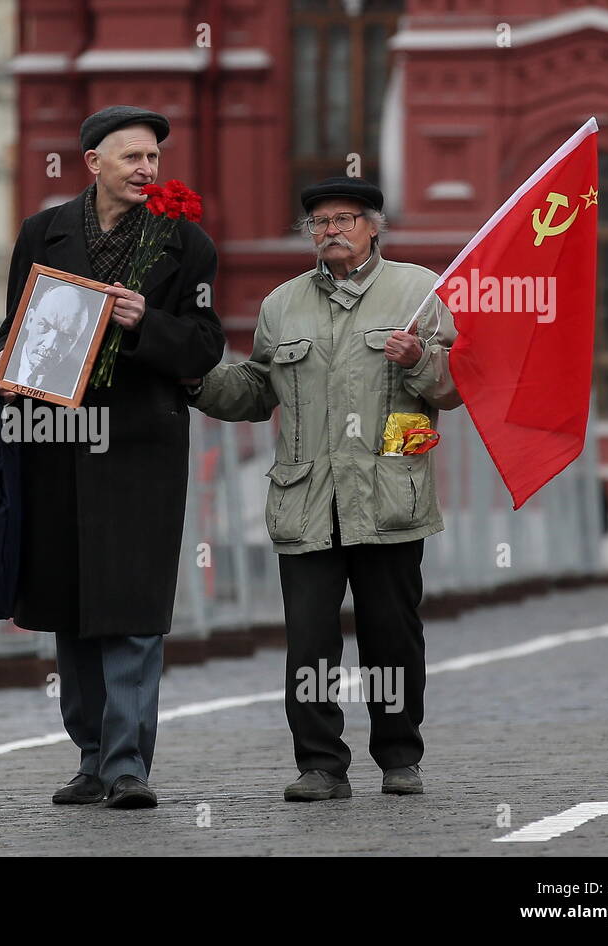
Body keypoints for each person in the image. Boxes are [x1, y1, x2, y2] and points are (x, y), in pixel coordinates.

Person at [183, 176, 462, 802]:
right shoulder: (282, 304)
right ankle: (320, 766)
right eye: (318, 221)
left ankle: (398, 756)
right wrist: (194, 380)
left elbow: (453, 387)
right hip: (305, 501)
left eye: (343, 218)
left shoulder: (419, 292)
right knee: (309, 642)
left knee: (391, 637)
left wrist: (419, 359)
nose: (329, 230)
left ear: (373, 226)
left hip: (391, 497)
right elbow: (258, 390)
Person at [0, 105, 225, 809]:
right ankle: (90, 757)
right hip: (55, 444)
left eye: (153, 158)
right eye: (132, 159)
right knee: (68, 601)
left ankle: (126, 766)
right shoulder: (43, 232)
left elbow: (206, 346)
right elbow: (16, 324)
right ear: (93, 163)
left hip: (140, 448)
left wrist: (145, 322)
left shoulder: (188, 244)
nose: (147, 170)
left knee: (131, 607)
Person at [4, 283, 94, 396]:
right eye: (45, 326)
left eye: (67, 337)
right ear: (30, 320)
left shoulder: (78, 385)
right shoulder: (4, 360)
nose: (50, 345)